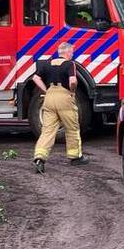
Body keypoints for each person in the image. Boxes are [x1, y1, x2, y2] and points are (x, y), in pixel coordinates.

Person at [30, 42, 88, 172]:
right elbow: (72, 81)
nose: (72, 55)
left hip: (49, 97)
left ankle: (39, 158)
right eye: (72, 52)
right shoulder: (69, 64)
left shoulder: (47, 63)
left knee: (47, 131)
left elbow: (35, 78)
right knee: (72, 128)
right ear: (67, 52)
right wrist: (72, 91)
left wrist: (46, 90)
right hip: (64, 98)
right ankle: (75, 157)